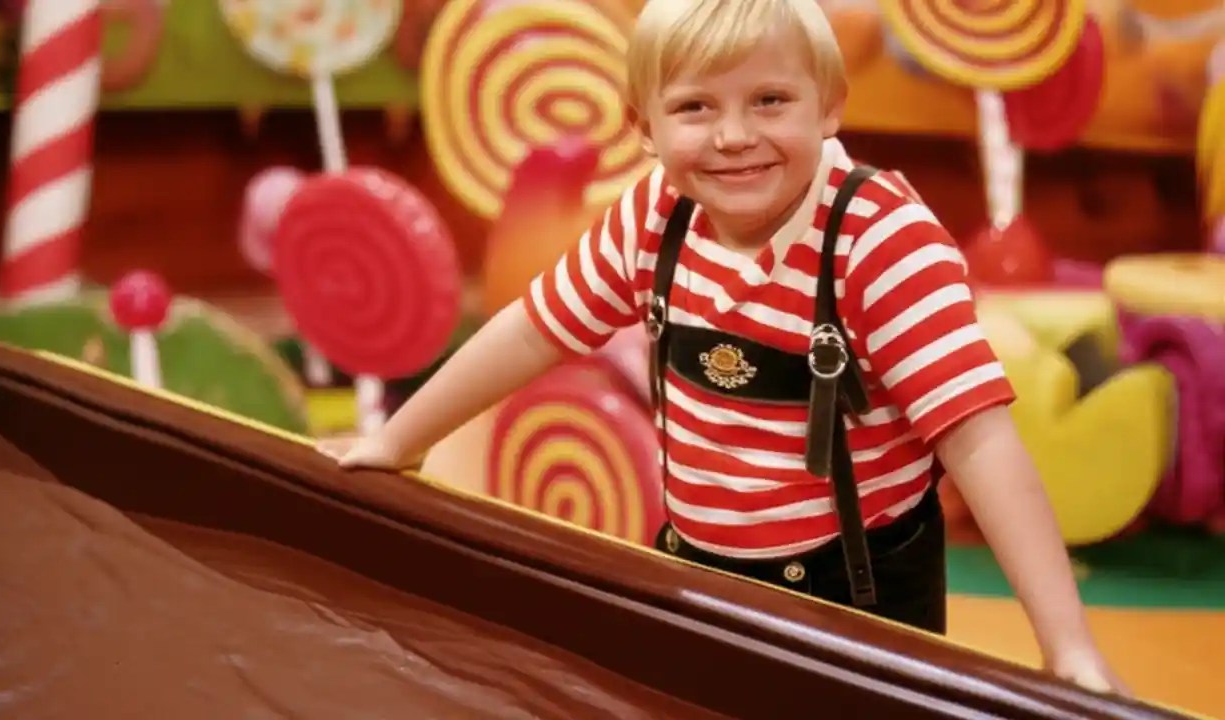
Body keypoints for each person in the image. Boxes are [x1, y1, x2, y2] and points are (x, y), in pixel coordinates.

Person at [318, 0, 1127, 696]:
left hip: (859, 604)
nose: (735, 136)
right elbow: (534, 327)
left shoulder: (881, 242)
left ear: (829, 106)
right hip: (700, 575)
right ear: (644, 126)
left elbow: (979, 440)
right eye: (696, 108)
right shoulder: (654, 217)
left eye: (770, 99)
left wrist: (1068, 648)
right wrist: (399, 437)